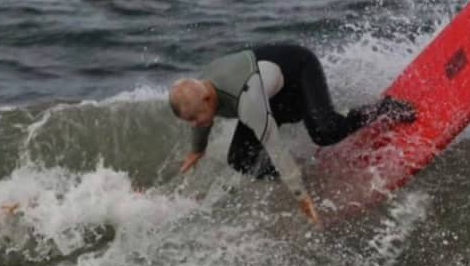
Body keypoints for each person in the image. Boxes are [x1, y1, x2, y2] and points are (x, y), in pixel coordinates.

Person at [168, 43, 416, 226]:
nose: (195, 123)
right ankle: (305, 173)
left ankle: (383, 108)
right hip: (274, 93)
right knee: (240, 159)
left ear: (208, 98)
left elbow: (275, 148)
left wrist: (301, 198)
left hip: (299, 70)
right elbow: (201, 122)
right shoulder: (202, 93)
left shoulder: (247, 102)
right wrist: (197, 150)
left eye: (194, 117)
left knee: (325, 131)